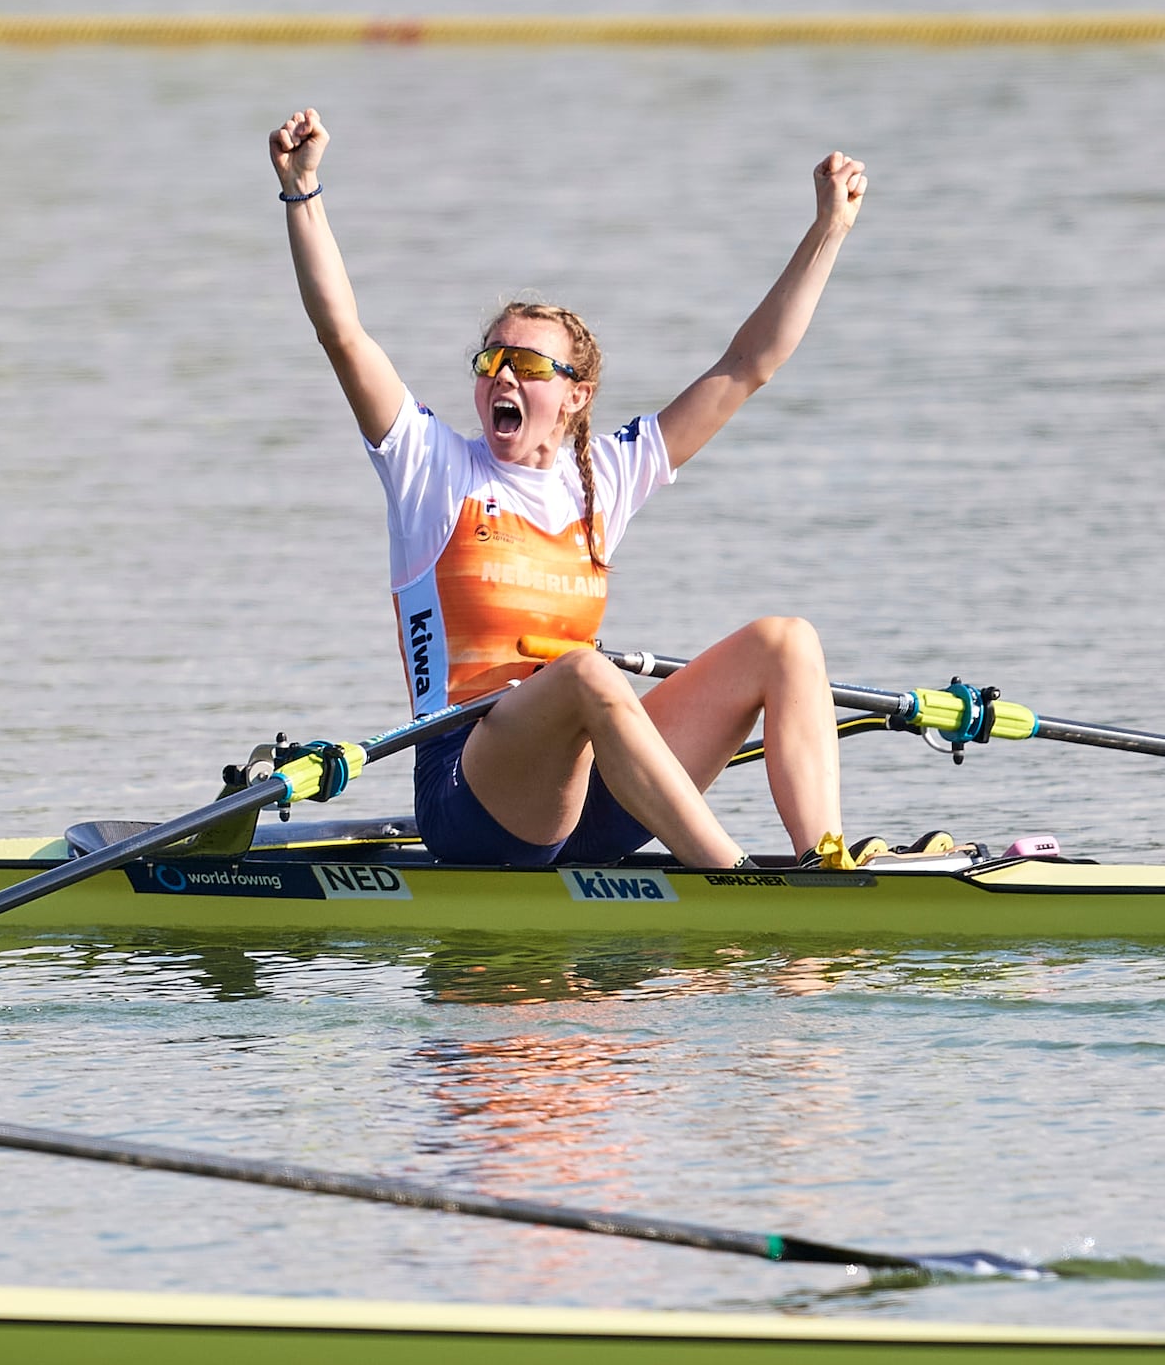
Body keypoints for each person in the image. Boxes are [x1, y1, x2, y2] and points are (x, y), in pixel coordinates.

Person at [270, 106, 873, 871]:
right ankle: (737, 880)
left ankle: (826, 859)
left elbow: (745, 366)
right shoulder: (430, 469)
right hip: (467, 793)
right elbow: (343, 333)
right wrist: (303, 192)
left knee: (787, 642)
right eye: (490, 363)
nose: (500, 378)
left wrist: (829, 231)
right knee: (587, 670)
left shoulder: (605, 479)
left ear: (578, 395)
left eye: (525, 365)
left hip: (586, 791)